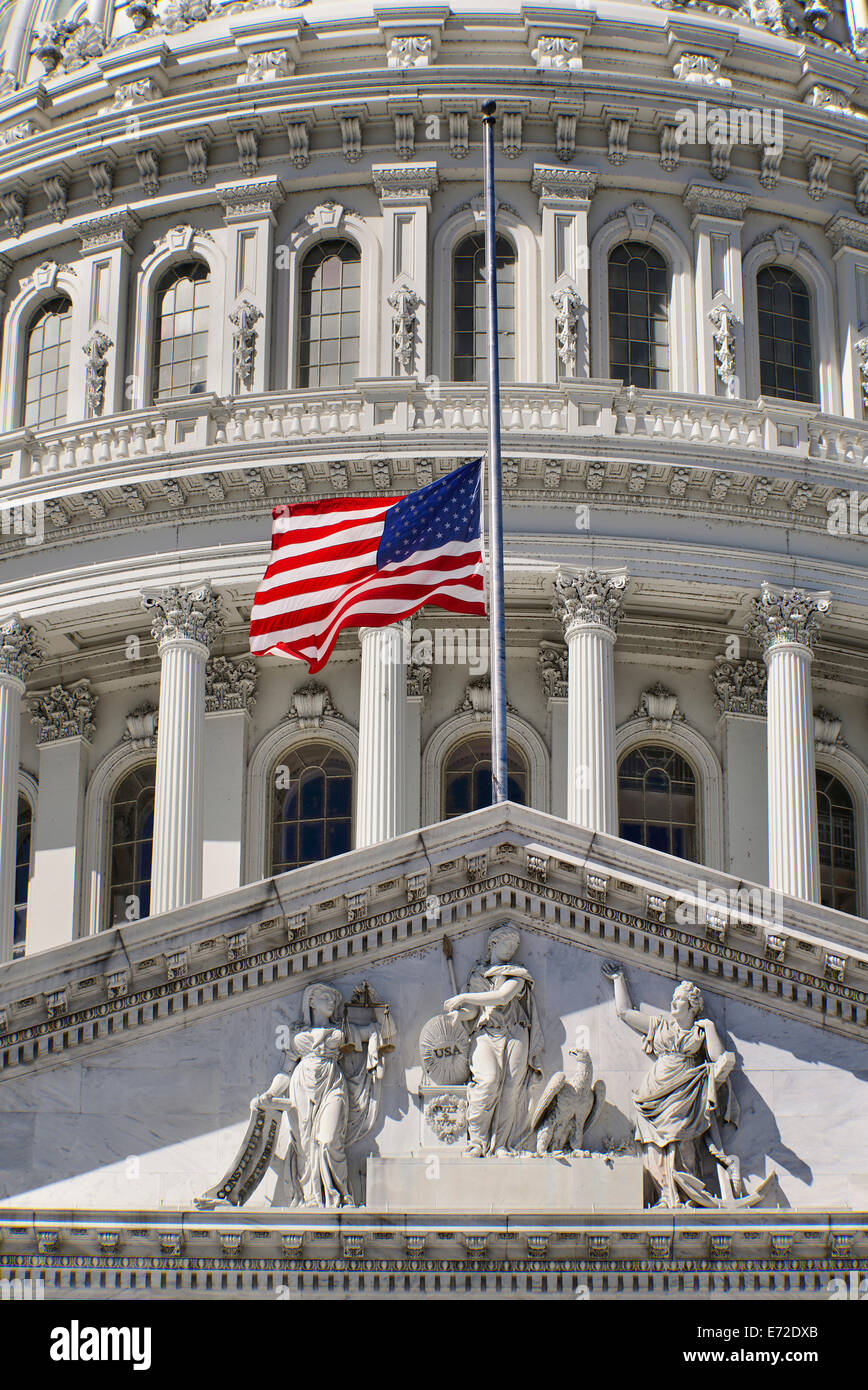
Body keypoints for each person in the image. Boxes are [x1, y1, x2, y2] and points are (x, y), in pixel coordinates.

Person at [602, 961, 738, 1207]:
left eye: (679, 999)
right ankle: (665, 1194)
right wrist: (618, 979)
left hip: (685, 1092)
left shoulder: (699, 1031)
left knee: (683, 1142)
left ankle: (688, 1196)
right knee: (653, 1146)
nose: (673, 1002)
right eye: (674, 998)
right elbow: (624, 1013)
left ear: (692, 1006)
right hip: (653, 1093)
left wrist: (709, 1028)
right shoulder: (661, 1026)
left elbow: (719, 1058)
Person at [444, 923, 543, 1156]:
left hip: (515, 1033)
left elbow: (501, 997)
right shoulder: (476, 975)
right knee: (488, 1081)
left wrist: (463, 997)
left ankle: (501, 1145)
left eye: (515, 945)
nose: (512, 949)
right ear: (492, 943)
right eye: (507, 943)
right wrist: (459, 1013)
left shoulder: (517, 974)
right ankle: (477, 1142)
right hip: (485, 1033)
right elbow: (472, 1012)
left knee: (510, 1089)